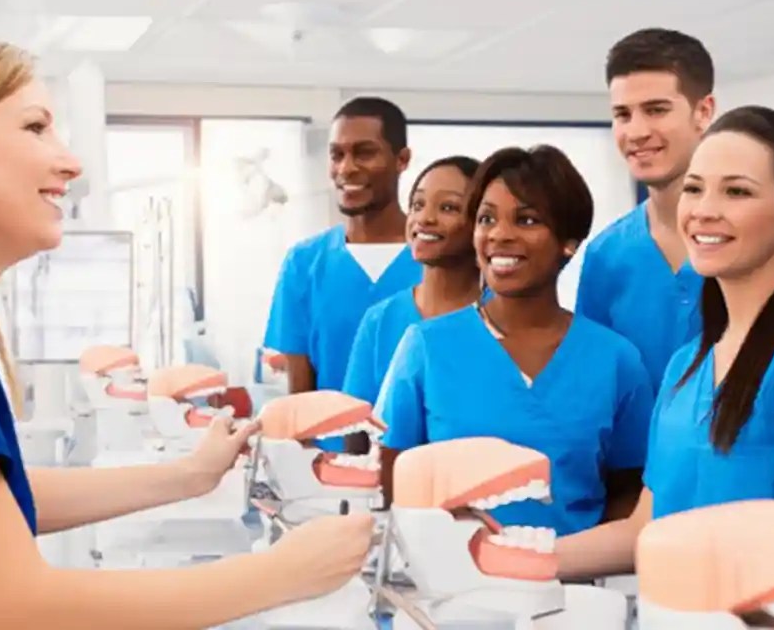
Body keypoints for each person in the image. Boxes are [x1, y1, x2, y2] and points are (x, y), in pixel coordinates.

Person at [0, 34, 374, 628]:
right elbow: (9, 606)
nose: (71, 163)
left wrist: (186, 477)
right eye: (34, 128)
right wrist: (285, 574)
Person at [555, 107, 774, 629]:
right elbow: (647, 526)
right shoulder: (687, 365)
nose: (704, 210)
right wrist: (522, 561)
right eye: (695, 189)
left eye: (736, 192)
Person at [375, 146, 654, 532]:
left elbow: (629, 490)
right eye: (486, 218)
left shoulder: (616, 361)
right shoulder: (425, 347)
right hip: (448, 584)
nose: (500, 235)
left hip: (571, 584)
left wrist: (583, 560)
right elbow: (392, 480)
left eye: (526, 220)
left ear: (568, 241)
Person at [572, 28, 774, 392]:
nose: (637, 131)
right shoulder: (607, 256)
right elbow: (595, 387)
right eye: (622, 114)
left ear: (703, 111)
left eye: (656, 110)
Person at [263, 96, 422, 401]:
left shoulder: (439, 261)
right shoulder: (304, 263)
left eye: (364, 153)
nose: (346, 168)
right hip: (331, 447)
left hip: (423, 449)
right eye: (336, 155)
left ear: (402, 160)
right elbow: (300, 395)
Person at [343, 155, 482, 409]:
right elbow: (354, 430)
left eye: (448, 207)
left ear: (481, 223)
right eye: (418, 205)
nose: (425, 218)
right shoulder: (379, 320)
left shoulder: (503, 320)